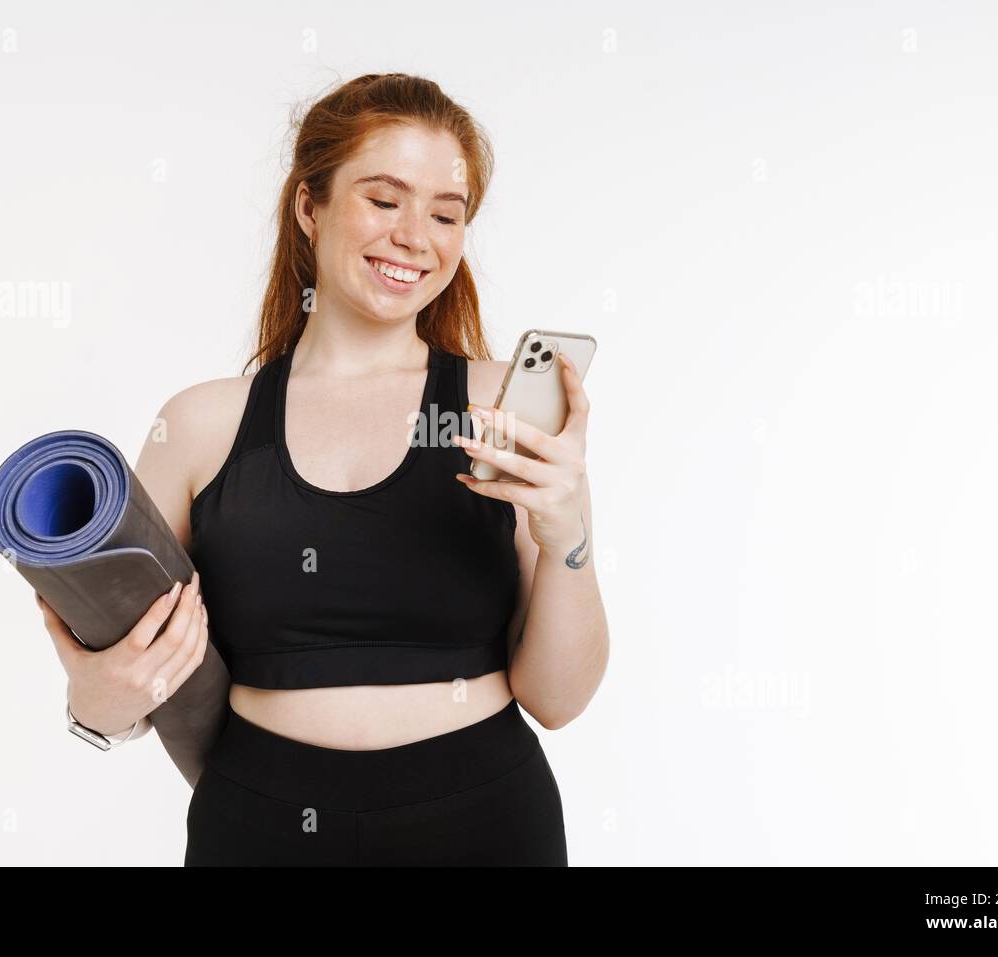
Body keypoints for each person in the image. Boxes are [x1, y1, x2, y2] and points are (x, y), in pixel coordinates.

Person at [40, 72, 609, 866]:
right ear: (310, 207)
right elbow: (124, 683)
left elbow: (558, 699)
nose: (416, 236)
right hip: (259, 825)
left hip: (482, 817)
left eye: (446, 213)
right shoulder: (201, 424)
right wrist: (99, 698)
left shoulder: (498, 407)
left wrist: (566, 534)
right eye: (384, 199)